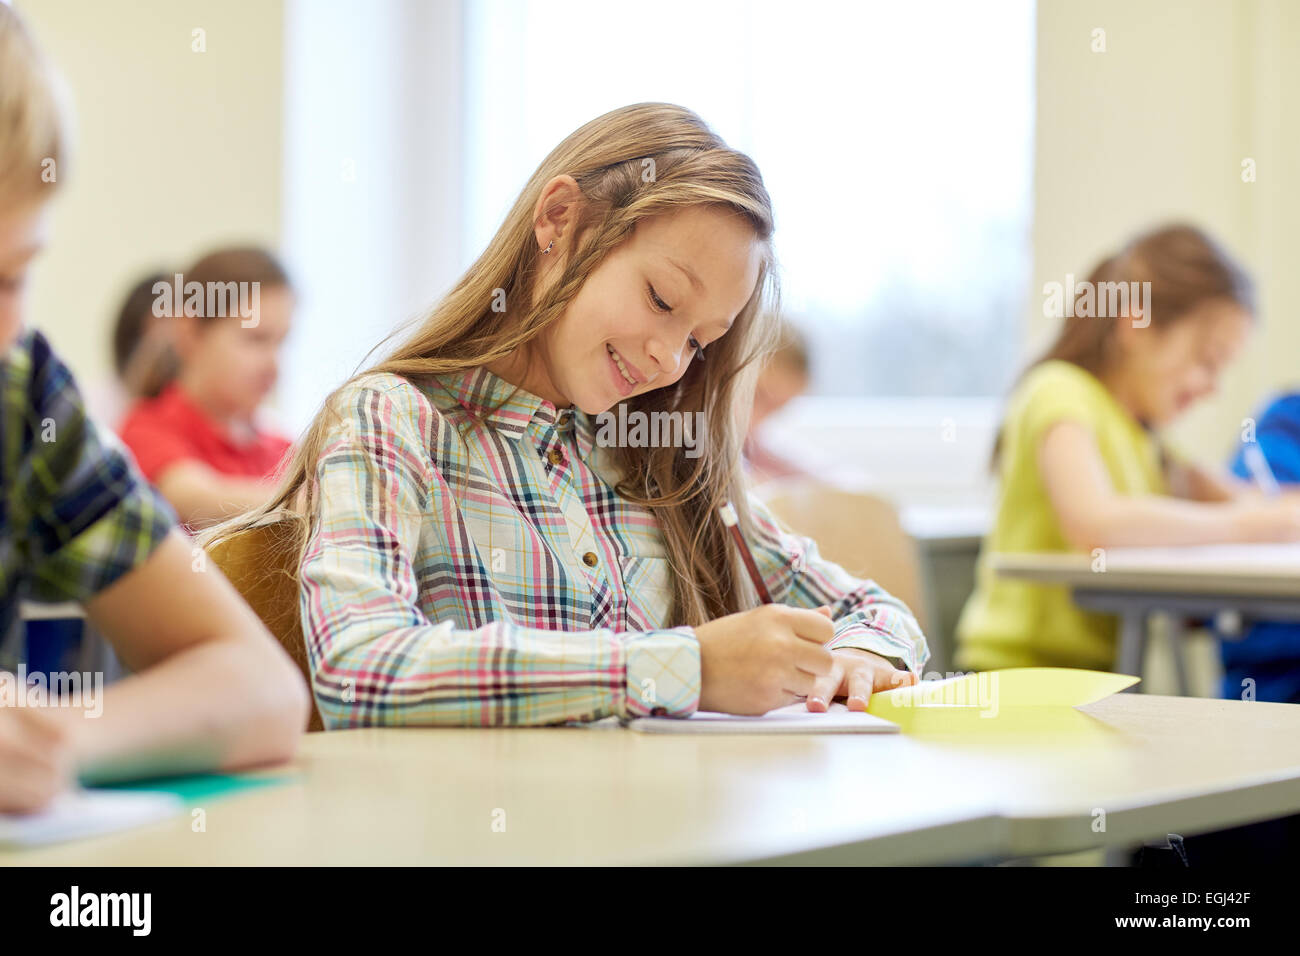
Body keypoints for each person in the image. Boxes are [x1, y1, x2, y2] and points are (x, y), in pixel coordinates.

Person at [203, 102, 928, 728]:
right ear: (559, 220)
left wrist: (863, 653)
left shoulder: (659, 457)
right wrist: (684, 669)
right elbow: (363, 670)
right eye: (663, 301)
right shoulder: (392, 419)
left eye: (699, 342)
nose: (670, 361)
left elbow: (877, 611)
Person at [0, 2, 307, 813]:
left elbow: (263, 692)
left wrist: (55, 740)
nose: (6, 331)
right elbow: (190, 493)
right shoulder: (157, 430)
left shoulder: (25, 398)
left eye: (12, 277)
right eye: (253, 339)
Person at [955, 223, 1300, 674]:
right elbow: (1096, 525)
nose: (1211, 388)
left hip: (1092, 679)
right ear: (1136, 324)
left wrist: (1265, 510)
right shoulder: (1059, 393)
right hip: (1015, 675)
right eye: (1207, 360)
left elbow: (1230, 496)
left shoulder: (1145, 435)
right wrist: (1249, 523)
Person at [118, 247, 295, 529]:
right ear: (189, 331)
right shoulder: (146, 429)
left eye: (282, 341)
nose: (274, 364)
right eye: (256, 339)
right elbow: (200, 500)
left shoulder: (285, 450)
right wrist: (316, 498)